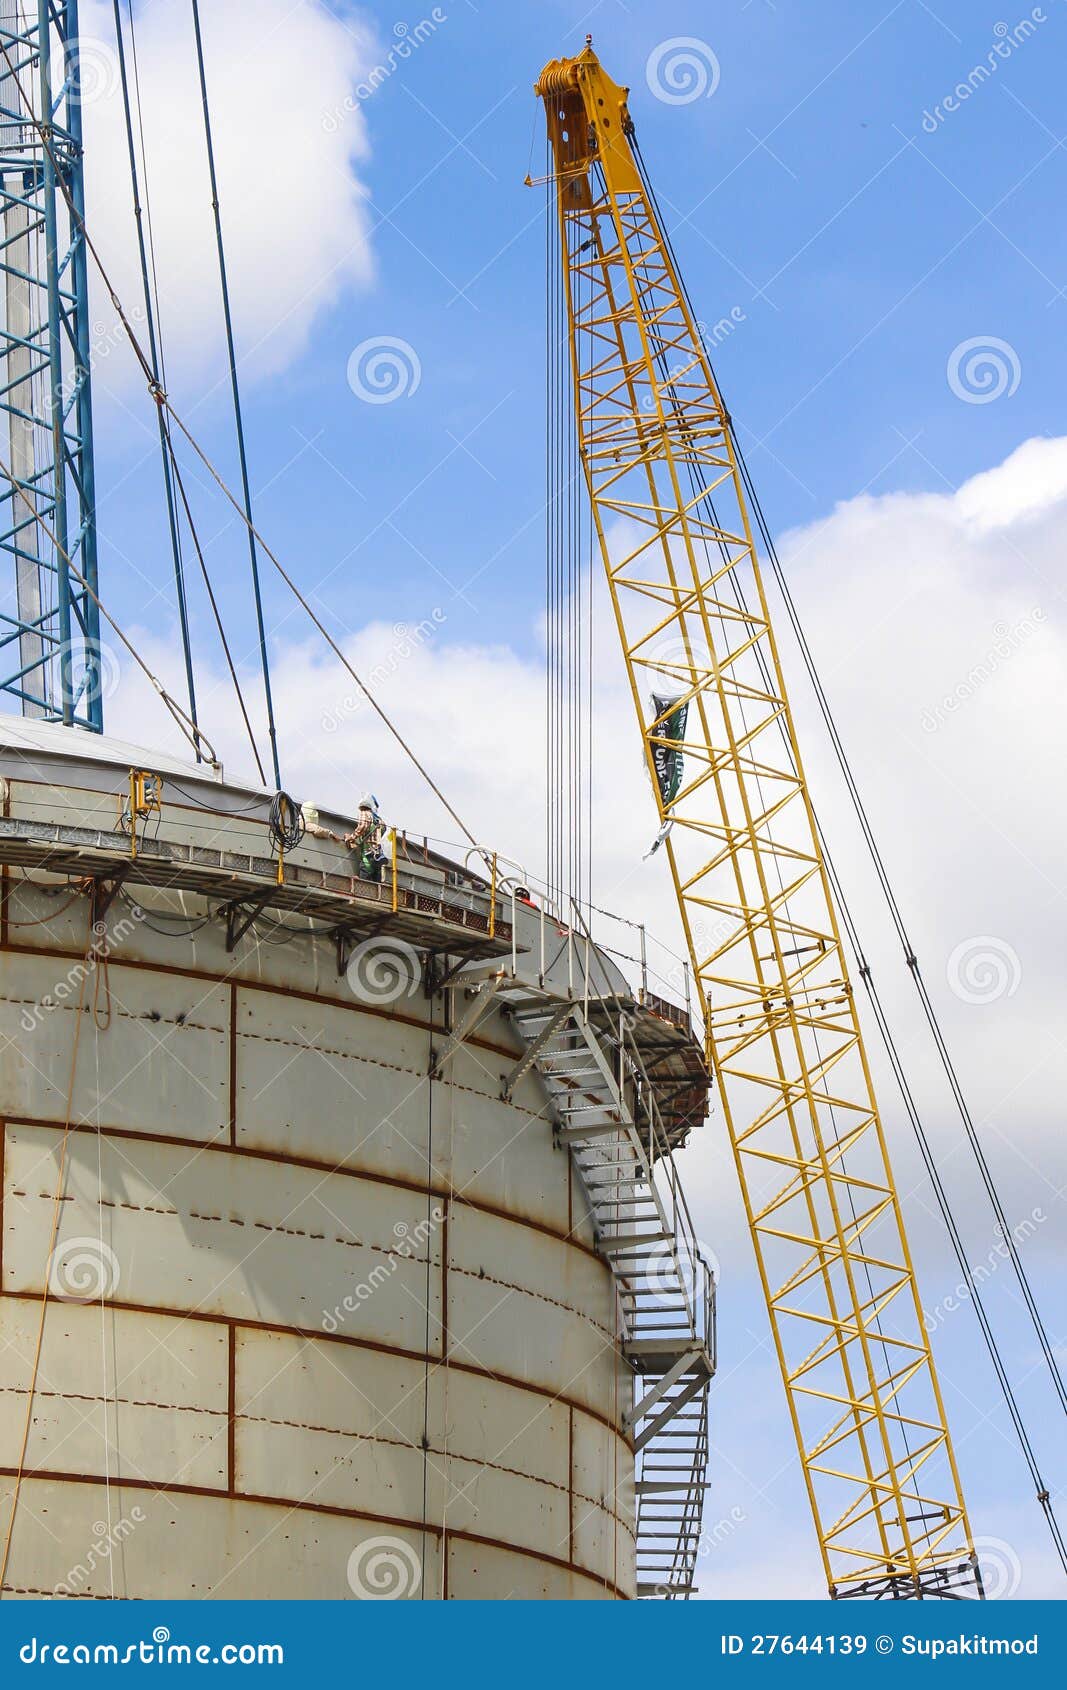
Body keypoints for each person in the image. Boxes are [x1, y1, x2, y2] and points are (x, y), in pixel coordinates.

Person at [345, 794, 386, 883]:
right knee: (376, 882)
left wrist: (351, 838)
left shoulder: (364, 813)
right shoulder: (379, 820)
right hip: (378, 856)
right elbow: (381, 831)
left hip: (368, 854)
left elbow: (363, 826)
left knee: (365, 879)